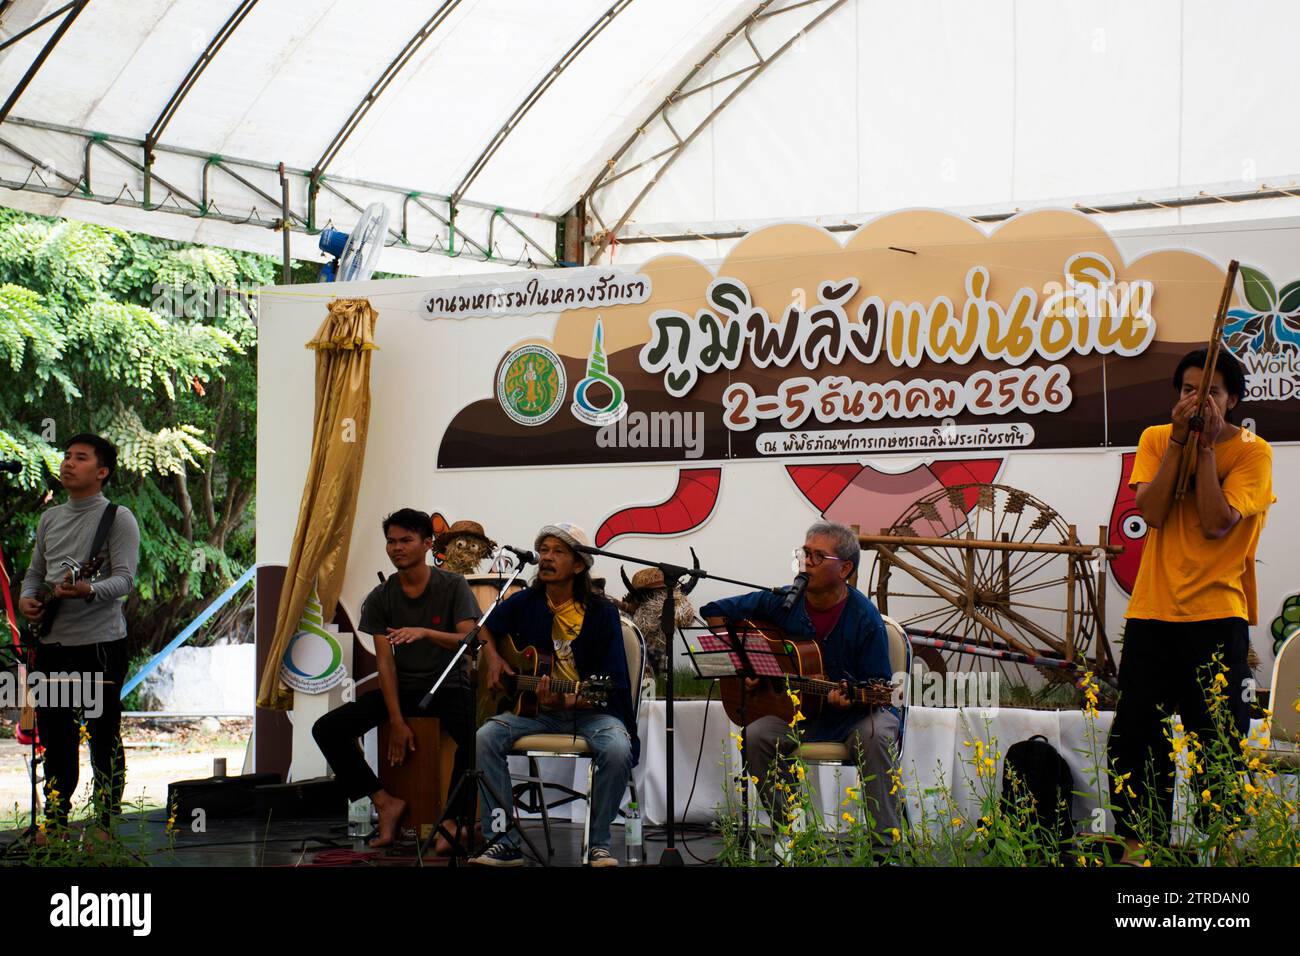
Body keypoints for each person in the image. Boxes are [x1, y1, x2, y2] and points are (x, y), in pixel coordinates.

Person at [1107, 348, 1273, 861]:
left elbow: (1215, 521)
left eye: (1212, 392)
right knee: (1136, 737)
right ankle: (1139, 848)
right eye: (1187, 391)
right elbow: (1152, 512)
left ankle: (1221, 849)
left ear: (1234, 400)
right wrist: (1181, 439)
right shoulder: (1157, 438)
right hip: (1151, 613)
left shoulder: (1252, 451)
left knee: (1218, 741)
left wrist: (1204, 449)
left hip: (1218, 616)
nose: (1197, 401)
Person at [700, 521, 901, 841]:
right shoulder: (783, 602)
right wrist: (744, 665)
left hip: (857, 715)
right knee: (755, 736)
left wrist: (848, 695)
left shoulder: (866, 619)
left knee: (875, 737)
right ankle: (792, 836)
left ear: (845, 568)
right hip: (797, 716)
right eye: (804, 553)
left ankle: (886, 846)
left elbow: (880, 688)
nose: (806, 562)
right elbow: (713, 611)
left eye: (818, 557)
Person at [311, 509, 480, 852]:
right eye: (391, 541)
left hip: (448, 686)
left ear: (428, 544)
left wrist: (425, 633)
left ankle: (452, 820)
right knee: (327, 729)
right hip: (402, 690)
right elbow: (385, 664)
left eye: (406, 540)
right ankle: (384, 802)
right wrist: (397, 720)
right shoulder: (381, 598)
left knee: (478, 740)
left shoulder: (452, 585)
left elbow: (470, 641)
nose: (397, 548)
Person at [472, 522, 636, 867]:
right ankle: (504, 841)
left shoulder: (601, 612)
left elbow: (612, 685)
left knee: (618, 748)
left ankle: (598, 844)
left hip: (592, 711)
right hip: (535, 711)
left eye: (557, 551)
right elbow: (484, 626)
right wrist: (494, 660)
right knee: (486, 737)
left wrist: (567, 700)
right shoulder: (526, 601)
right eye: (543, 550)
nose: (546, 558)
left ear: (579, 565)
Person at [19, 434, 140, 835]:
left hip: (100, 647)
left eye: (81, 458)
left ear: (101, 472)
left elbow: (124, 579)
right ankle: (54, 825)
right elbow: (36, 573)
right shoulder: (49, 518)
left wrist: (89, 589)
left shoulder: (117, 518)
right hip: (53, 646)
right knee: (56, 740)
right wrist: (27, 598)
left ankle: (105, 825)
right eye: (67, 456)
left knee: (102, 738)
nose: (69, 463)